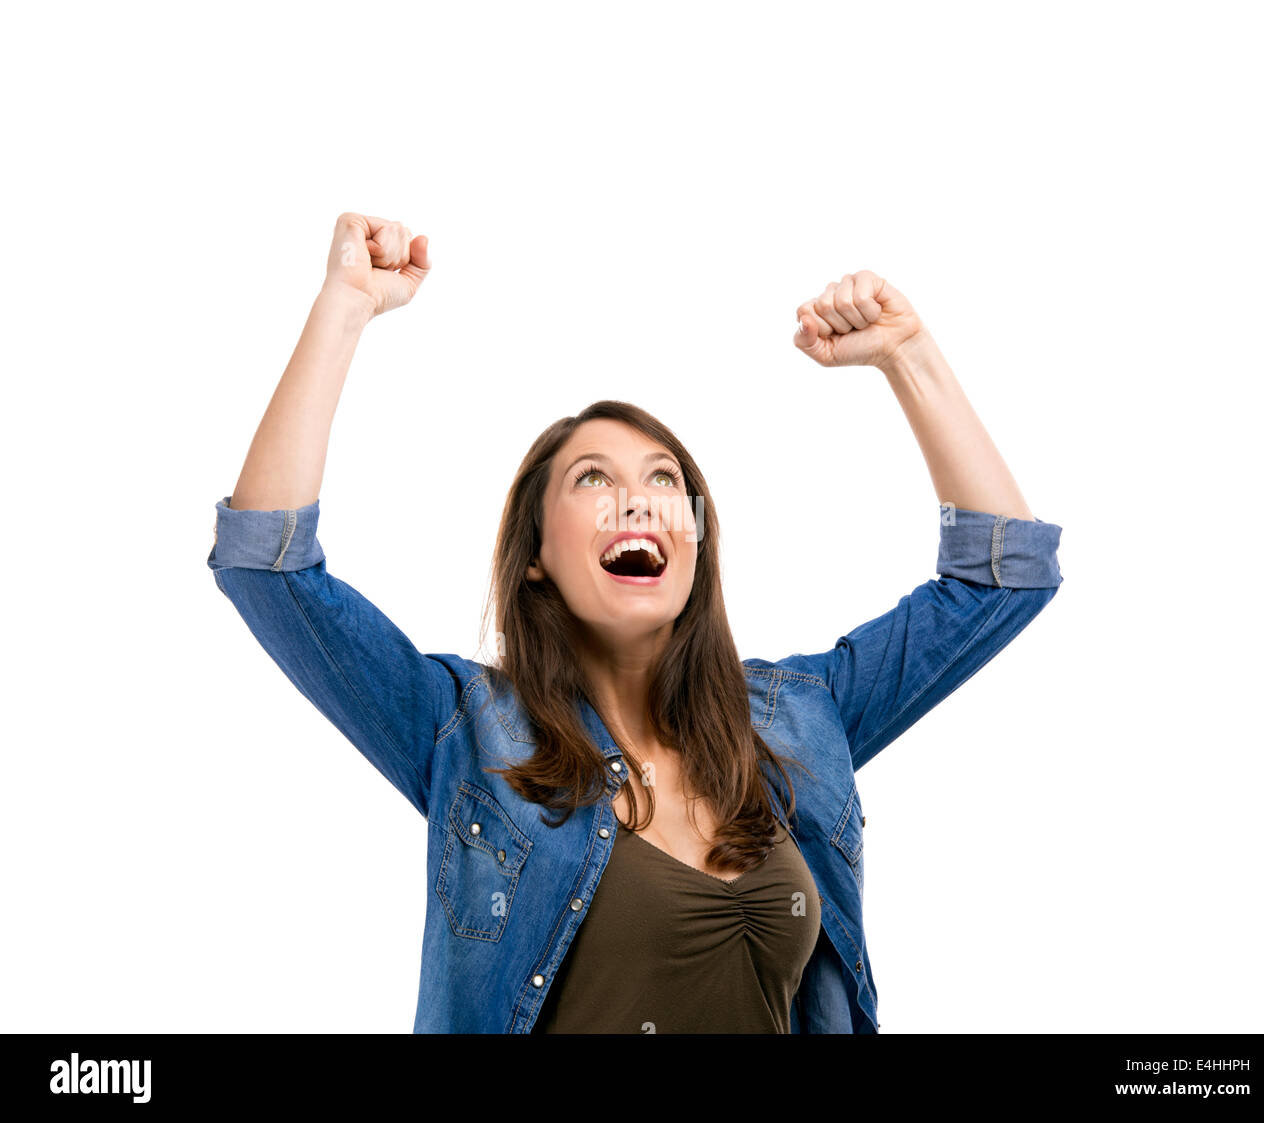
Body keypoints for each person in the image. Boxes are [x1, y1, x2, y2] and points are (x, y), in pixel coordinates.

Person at [207, 212, 1064, 1034]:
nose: (637, 499)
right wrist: (344, 307)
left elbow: (1002, 578)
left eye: (663, 480)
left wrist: (907, 354)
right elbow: (267, 566)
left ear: (693, 538)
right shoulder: (464, 731)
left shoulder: (800, 717)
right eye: (591, 479)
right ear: (536, 552)